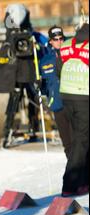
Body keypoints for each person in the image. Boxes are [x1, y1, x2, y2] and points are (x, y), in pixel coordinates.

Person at [0, 4, 48, 147]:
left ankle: (33, 128)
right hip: (18, 71)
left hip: (28, 69)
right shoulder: (10, 36)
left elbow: (45, 43)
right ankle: (9, 131)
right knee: (17, 98)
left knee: (32, 97)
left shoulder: (32, 35)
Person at [59, 23, 89, 197]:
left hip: (67, 95)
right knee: (81, 142)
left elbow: (59, 67)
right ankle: (69, 185)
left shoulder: (67, 44)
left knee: (82, 140)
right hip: (83, 97)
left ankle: (84, 182)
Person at [40, 25, 72, 160]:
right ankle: (73, 170)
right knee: (67, 143)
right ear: (51, 41)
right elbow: (44, 86)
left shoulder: (71, 53)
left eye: (61, 38)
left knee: (79, 140)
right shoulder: (45, 60)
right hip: (57, 104)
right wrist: (40, 86)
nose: (59, 41)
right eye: (56, 39)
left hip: (73, 102)